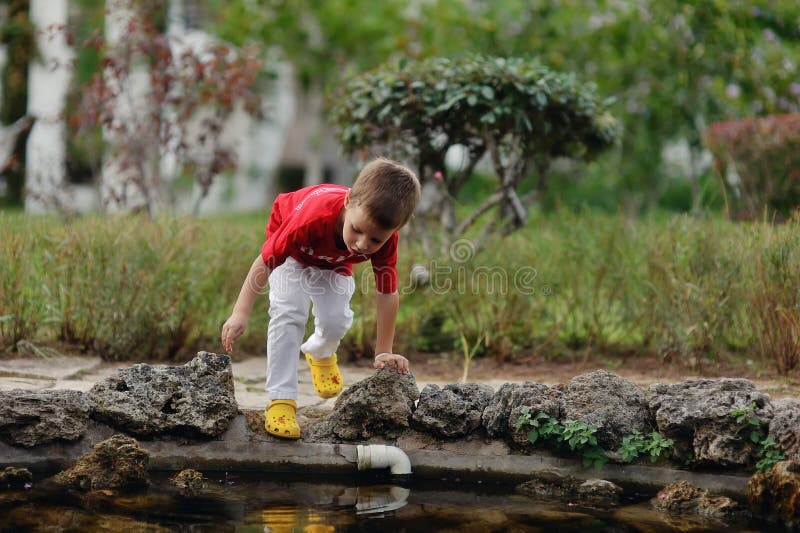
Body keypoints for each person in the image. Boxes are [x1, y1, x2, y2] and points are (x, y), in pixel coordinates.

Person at [220, 157, 421, 439]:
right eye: (357, 230)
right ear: (348, 201)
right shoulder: (312, 217)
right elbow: (264, 263)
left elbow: (387, 292)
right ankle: (281, 400)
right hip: (293, 255)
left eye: (375, 240)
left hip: (333, 261)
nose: (362, 244)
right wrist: (240, 312)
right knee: (289, 314)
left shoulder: (384, 239)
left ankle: (320, 352)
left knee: (336, 320)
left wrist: (383, 351)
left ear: (395, 230)